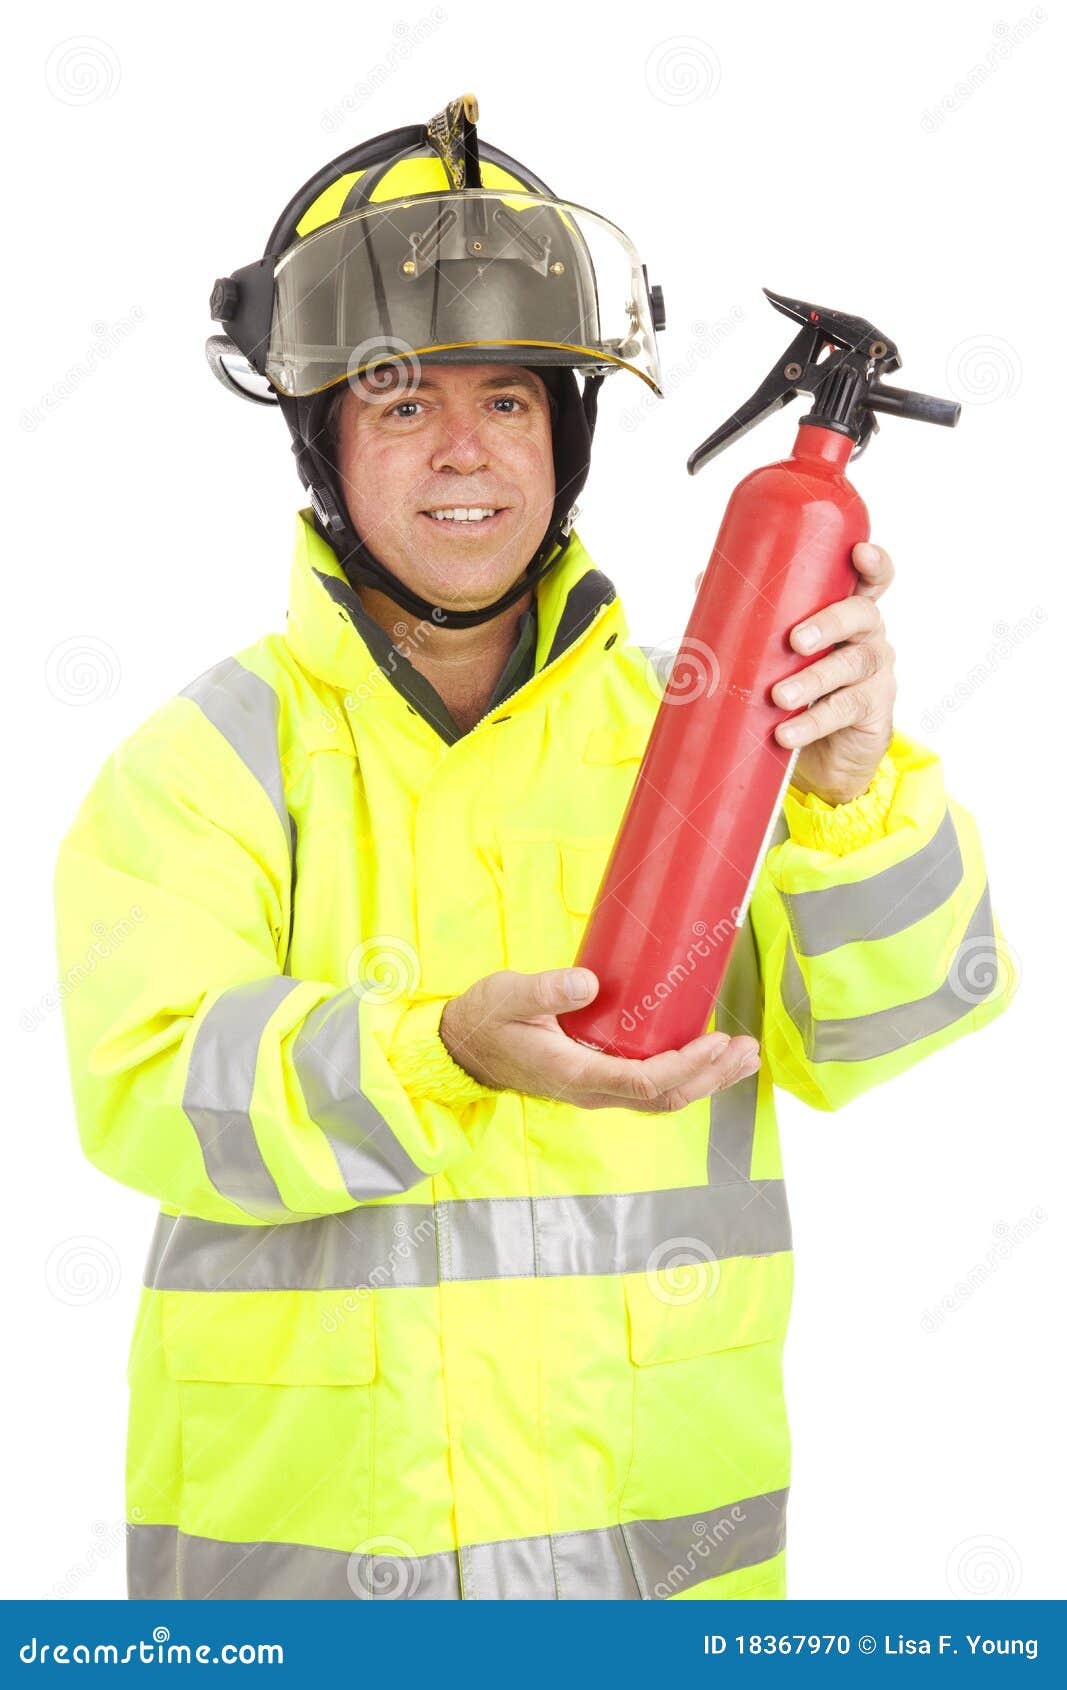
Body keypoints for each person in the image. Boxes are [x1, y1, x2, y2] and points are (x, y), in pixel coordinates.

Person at [53, 94, 1016, 1602]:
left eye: (510, 400)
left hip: (648, 1597)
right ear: (321, 439)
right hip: (314, 1615)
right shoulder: (209, 762)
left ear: (566, 434)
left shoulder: (703, 726)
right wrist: (441, 1051)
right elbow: (150, 1089)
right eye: (400, 399)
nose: (466, 455)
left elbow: (900, 1019)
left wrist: (846, 781)